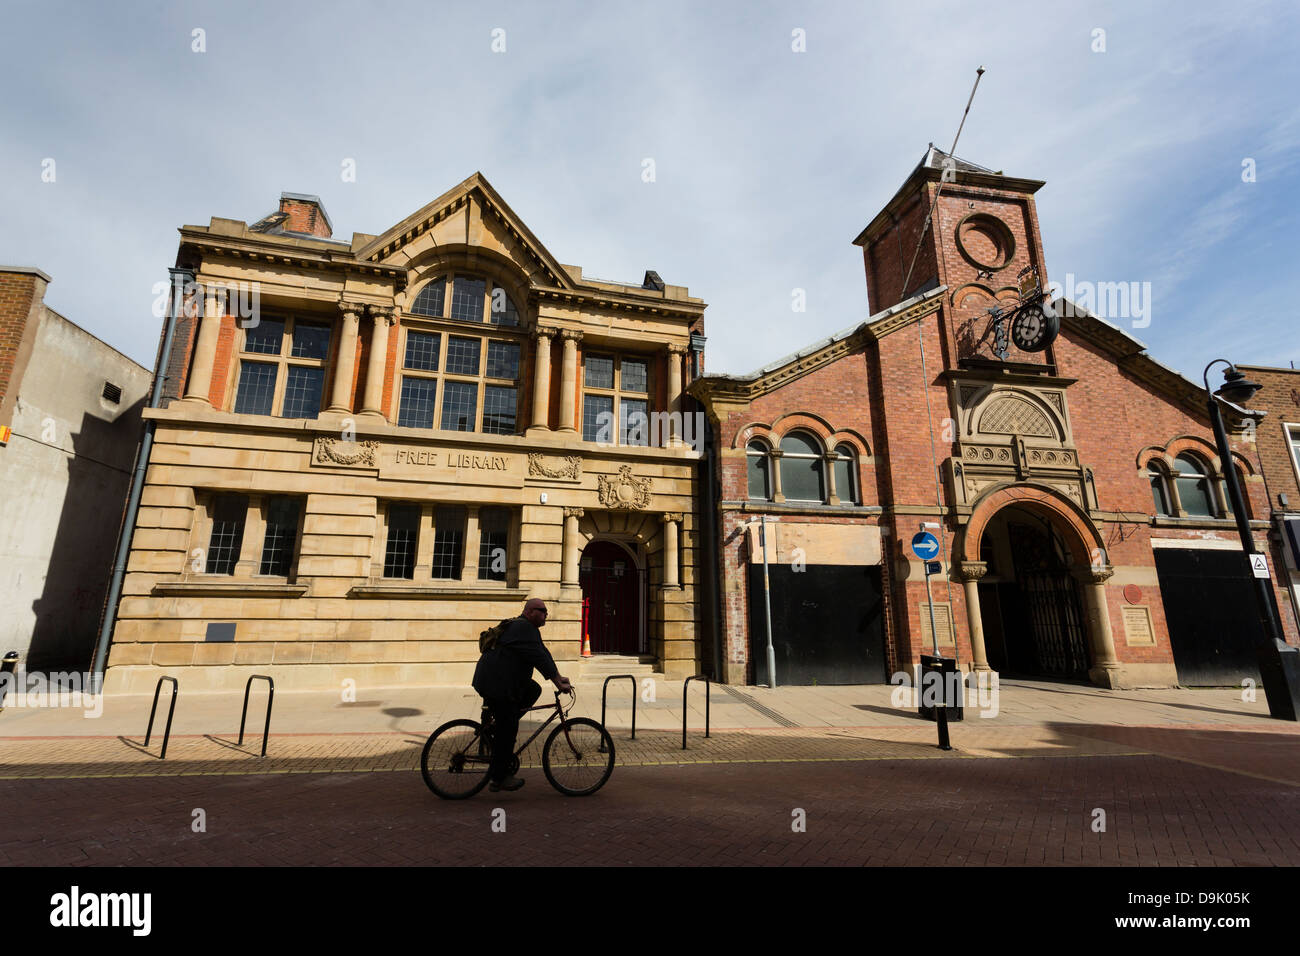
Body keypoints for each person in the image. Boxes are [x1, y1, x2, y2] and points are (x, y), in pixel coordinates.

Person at [471, 598, 572, 792]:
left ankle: (494, 727)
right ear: (529, 611)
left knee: (534, 690)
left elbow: (543, 652)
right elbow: (539, 658)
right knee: (508, 728)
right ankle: (499, 778)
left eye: (546, 612)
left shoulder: (524, 627)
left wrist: (559, 677)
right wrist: (557, 681)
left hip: (495, 680)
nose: (546, 615)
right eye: (542, 611)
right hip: (497, 684)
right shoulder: (524, 628)